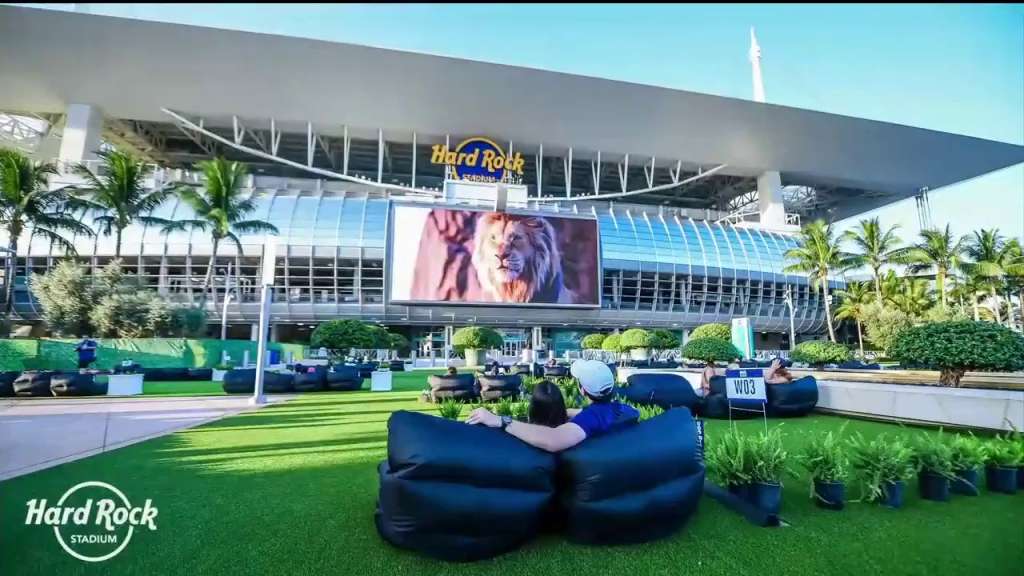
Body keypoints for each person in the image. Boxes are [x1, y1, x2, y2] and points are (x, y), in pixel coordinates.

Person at [466, 359, 638, 453]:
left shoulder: (588, 420)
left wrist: (501, 420)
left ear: (582, 390)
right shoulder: (626, 411)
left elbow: (553, 440)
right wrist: (565, 412)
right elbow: (595, 414)